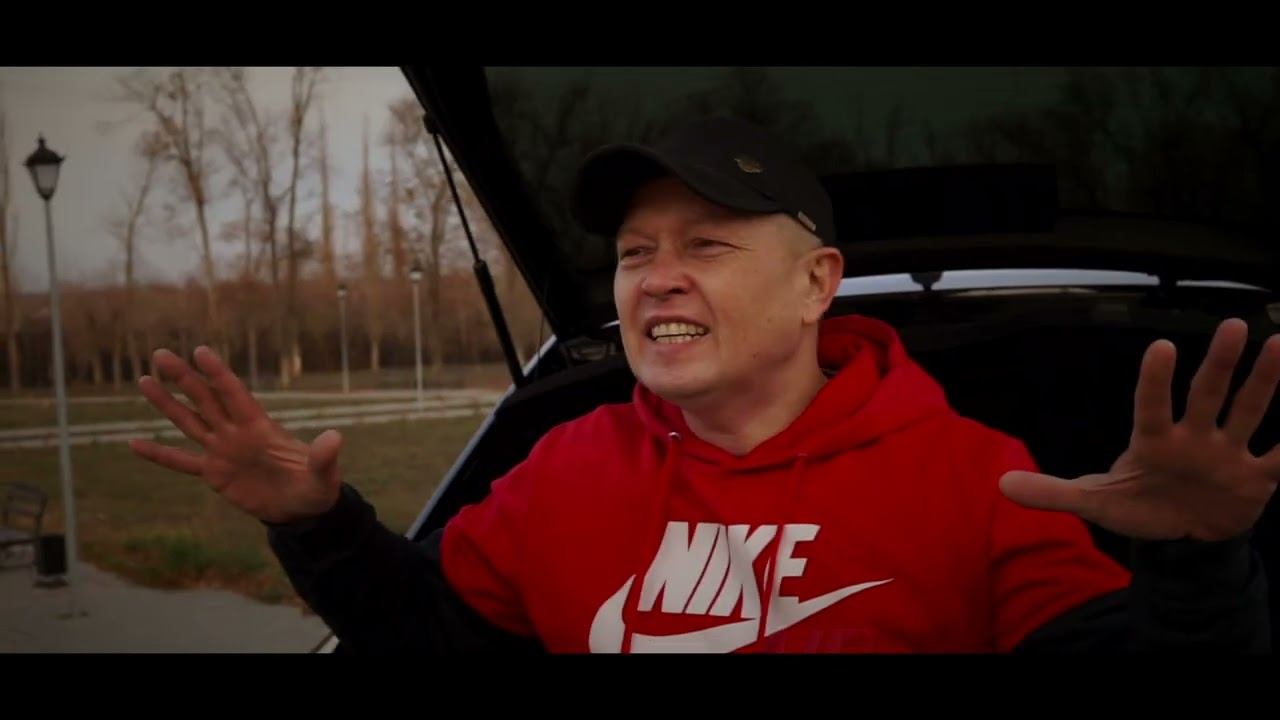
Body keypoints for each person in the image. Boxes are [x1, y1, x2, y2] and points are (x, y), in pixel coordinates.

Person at [128, 117, 1276, 654]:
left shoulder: (976, 477)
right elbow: (442, 646)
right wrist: (320, 527)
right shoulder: (561, 467)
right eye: (634, 252)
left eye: (707, 244)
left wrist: (1194, 566)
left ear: (817, 283)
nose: (654, 276)